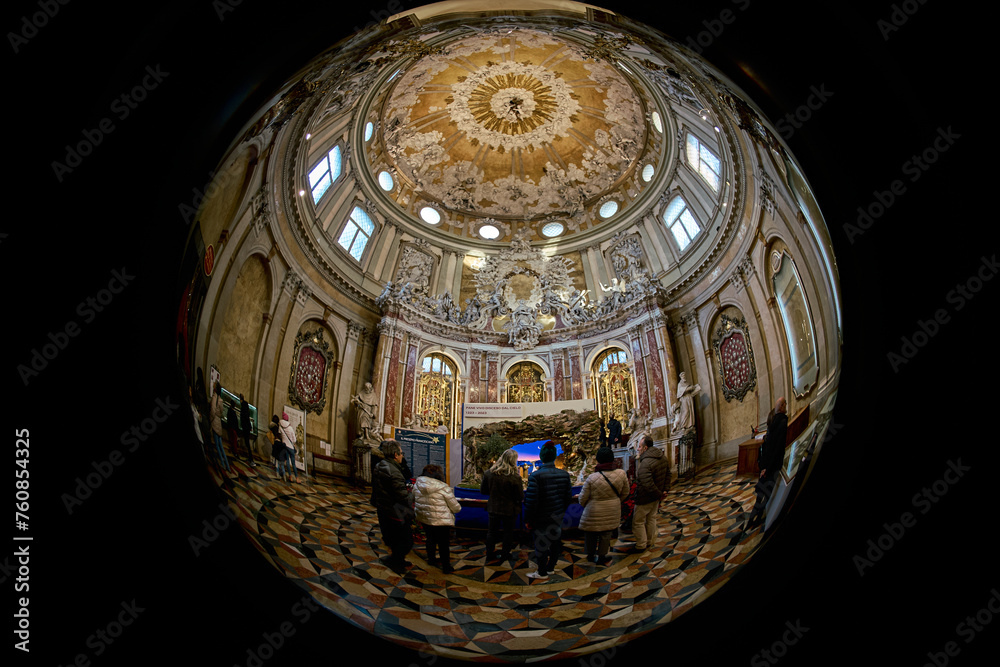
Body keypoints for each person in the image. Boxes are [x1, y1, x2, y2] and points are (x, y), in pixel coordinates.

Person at [523, 443, 572, 580]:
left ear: (541, 457)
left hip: (541, 518)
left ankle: (542, 572)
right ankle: (551, 568)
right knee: (556, 543)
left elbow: (531, 502)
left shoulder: (535, 476)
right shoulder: (564, 475)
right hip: (557, 516)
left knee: (541, 545)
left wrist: (528, 520)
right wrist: (561, 510)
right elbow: (568, 498)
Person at [371, 439, 414, 575]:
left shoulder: (380, 465)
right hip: (395, 511)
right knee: (406, 540)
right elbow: (403, 498)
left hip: (384, 507)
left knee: (394, 539)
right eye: (401, 453)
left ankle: (397, 560)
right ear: (396, 455)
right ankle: (396, 562)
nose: (402, 456)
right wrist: (414, 494)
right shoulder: (395, 472)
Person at [579, 447, 628, 565]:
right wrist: (615, 500)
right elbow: (626, 492)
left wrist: (588, 504)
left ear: (598, 460)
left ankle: (590, 555)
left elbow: (582, 498)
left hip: (593, 511)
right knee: (606, 534)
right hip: (612, 509)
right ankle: (602, 556)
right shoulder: (621, 474)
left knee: (590, 534)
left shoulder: (592, 477)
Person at [747, 397, 788, 530]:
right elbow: (776, 449)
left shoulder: (773, 424)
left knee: (760, 493)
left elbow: (767, 447)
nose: (786, 405)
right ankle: (758, 518)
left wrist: (763, 467)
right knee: (767, 492)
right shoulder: (782, 422)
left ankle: (752, 519)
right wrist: (767, 467)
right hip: (773, 465)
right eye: (785, 404)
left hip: (766, 465)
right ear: (781, 407)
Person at [412, 464, 462, 573]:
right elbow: (455, 507)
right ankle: (446, 567)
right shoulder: (443, 487)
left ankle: (431, 559)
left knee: (430, 539)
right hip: (441, 520)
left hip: (425, 518)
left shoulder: (417, 485)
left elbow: (414, 499)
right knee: (443, 544)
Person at [480, 449, 524, 563]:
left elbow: (483, 491)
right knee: (508, 533)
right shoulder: (515, 477)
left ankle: (489, 554)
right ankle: (505, 554)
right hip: (510, 509)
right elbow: (520, 496)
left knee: (491, 532)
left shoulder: (488, 474)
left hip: (493, 507)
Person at [630, 436, 670, 553]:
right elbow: (668, 474)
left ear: (645, 448)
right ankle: (649, 541)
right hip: (656, 497)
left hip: (645, 498)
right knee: (651, 518)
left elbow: (646, 483)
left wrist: (658, 494)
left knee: (638, 521)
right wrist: (664, 491)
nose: (638, 449)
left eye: (640, 446)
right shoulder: (662, 457)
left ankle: (641, 544)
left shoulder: (646, 462)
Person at [209, 381, 234, 476]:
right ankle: (227, 465)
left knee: (217, 446)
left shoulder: (215, 398)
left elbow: (212, 410)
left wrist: (211, 419)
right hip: (219, 421)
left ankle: (223, 464)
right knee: (221, 446)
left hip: (215, 422)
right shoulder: (220, 400)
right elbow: (221, 412)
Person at [278, 412, 299, 483]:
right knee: (293, 463)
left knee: (287, 462)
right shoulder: (290, 428)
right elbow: (294, 440)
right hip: (290, 447)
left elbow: (280, 435)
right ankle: (297, 478)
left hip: (285, 446)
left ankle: (290, 476)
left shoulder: (280, 427)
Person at [239, 394, 257, 467]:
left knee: (247, 444)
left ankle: (251, 459)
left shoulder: (243, 407)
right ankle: (250, 458)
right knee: (247, 443)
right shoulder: (246, 407)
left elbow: (244, 418)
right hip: (248, 427)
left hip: (245, 427)